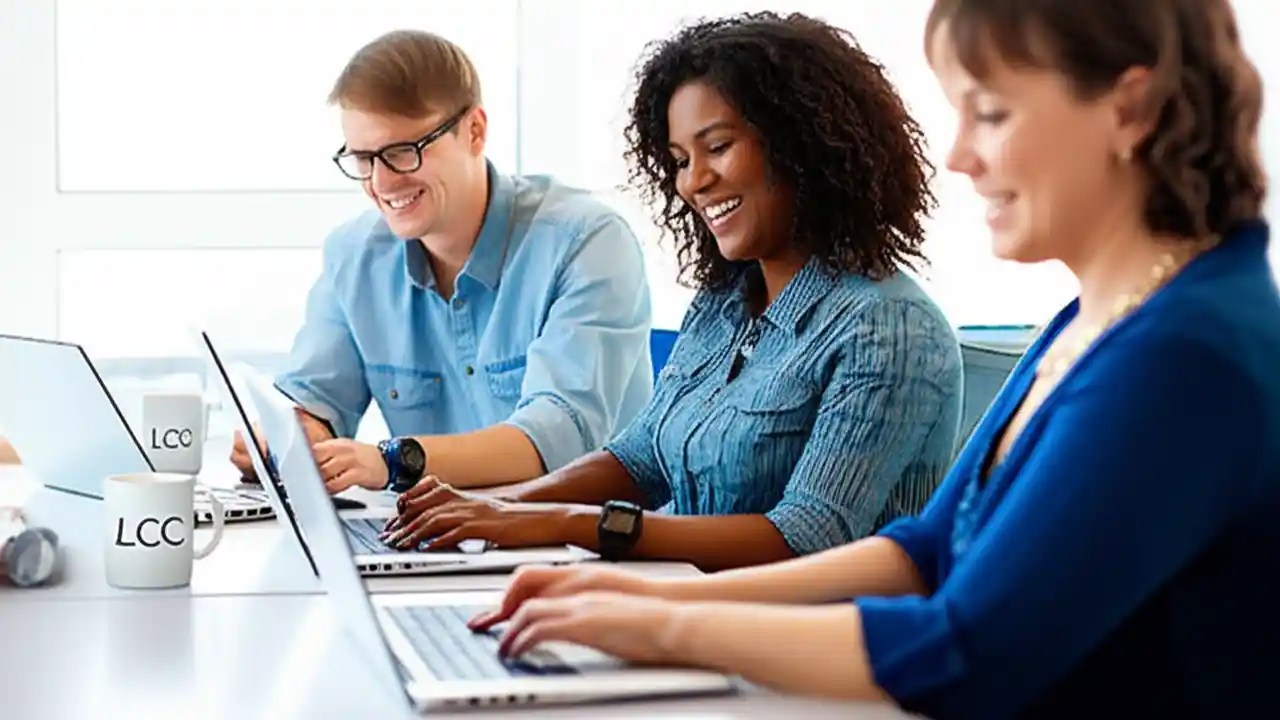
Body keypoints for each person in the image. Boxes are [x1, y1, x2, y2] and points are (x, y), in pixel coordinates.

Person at [463, 1, 1280, 717]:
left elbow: (968, 653)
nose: (958, 156)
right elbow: (922, 551)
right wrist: (644, 590)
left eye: (989, 113)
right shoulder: (1102, 317)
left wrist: (666, 622)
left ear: (1128, 109)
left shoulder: (1189, 354)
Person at [383, 13, 963, 572]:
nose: (693, 182)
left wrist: (564, 523)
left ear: (802, 145)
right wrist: (500, 507)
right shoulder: (725, 302)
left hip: (797, 649)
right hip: (681, 611)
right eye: (681, 160)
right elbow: (640, 459)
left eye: (717, 148)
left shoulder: (888, 326)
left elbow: (803, 538)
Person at [230, 30, 654, 492]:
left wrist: (392, 462)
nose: (382, 182)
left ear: (475, 131)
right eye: (363, 159)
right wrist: (289, 440)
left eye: (401, 153)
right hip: (434, 543)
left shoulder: (586, 242)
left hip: (581, 545)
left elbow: (559, 437)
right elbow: (316, 401)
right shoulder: (354, 258)